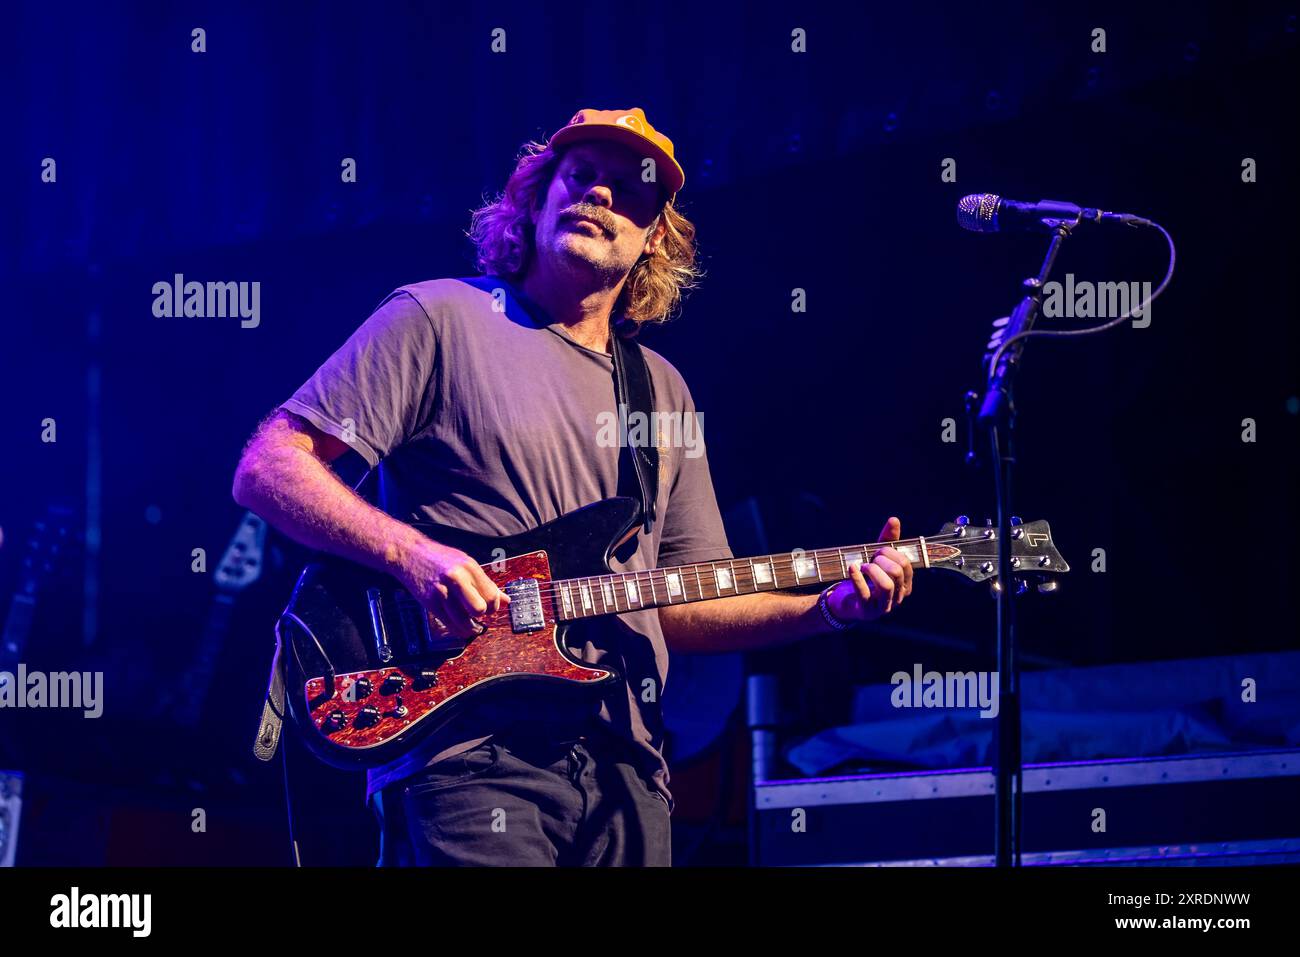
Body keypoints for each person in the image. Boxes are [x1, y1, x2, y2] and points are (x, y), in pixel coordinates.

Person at [232, 107, 914, 866]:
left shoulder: (661, 391)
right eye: (580, 175)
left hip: (628, 769)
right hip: (469, 751)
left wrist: (827, 610)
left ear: (655, 237)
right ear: (536, 199)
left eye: (629, 189)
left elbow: (681, 603)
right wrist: (413, 555)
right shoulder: (439, 318)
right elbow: (270, 466)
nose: (599, 195)